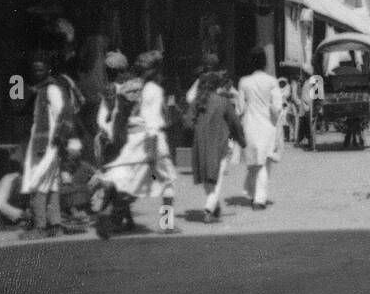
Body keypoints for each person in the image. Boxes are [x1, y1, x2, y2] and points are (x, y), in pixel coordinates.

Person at [94, 50, 178, 234]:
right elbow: (152, 121)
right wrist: (154, 149)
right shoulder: (153, 90)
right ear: (155, 70)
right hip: (150, 140)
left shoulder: (126, 87)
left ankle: (111, 214)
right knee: (167, 181)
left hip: (130, 140)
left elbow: (117, 116)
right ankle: (167, 223)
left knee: (130, 182)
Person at [20, 53, 70, 240]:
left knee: (39, 181)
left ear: (48, 70)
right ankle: (55, 225)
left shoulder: (51, 90)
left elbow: (61, 116)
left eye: (40, 69)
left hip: (47, 143)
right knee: (50, 183)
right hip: (42, 142)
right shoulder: (39, 90)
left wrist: (57, 141)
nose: (37, 73)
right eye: (34, 70)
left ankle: (41, 226)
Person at [191, 60, 246, 223]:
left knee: (207, 178)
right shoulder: (223, 102)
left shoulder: (198, 102)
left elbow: (188, 122)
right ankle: (208, 210)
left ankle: (214, 205)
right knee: (217, 178)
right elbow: (235, 123)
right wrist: (242, 141)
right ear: (217, 86)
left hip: (200, 145)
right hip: (219, 144)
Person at [238, 47, 284, 208]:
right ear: (265, 62)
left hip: (250, 126)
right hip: (267, 127)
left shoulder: (244, 82)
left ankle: (251, 192)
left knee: (253, 163)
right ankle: (259, 199)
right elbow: (278, 107)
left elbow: (240, 109)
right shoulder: (272, 82)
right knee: (264, 163)